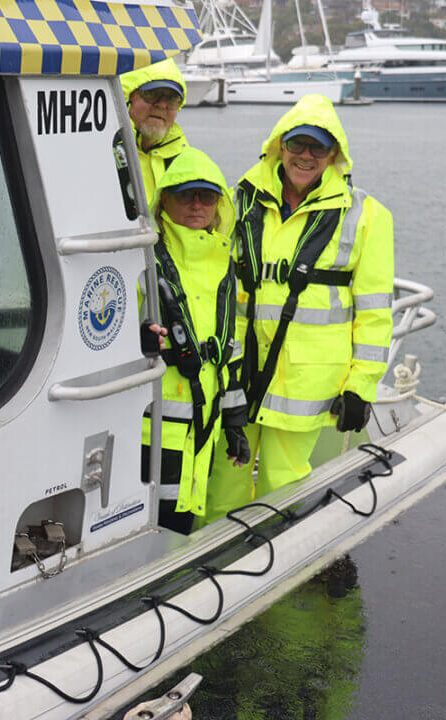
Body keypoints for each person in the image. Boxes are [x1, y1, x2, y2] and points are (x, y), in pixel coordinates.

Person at [206, 94, 394, 523]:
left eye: (318, 148)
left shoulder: (367, 216)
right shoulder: (239, 201)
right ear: (280, 146)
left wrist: (361, 386)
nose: (306, 156)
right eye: (297, 144)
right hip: (239, 371)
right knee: (222, 486)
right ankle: (215, 560)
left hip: (305, 384)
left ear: (334, 155)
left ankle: (275, 558)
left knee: (283, 487)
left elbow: (375, 312)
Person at [142, 148, 250, 533]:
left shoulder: (224, 264)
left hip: (203, 429)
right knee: (144, 527)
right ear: (164, 202)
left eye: (207, 196)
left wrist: (234, 422)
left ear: (219, 204)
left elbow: (228, 351)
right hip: (150, 432)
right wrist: (139, 339)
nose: (197, 204)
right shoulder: (141, 258)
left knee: (181, 523)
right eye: (186, 194)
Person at [119, 59, 189, 211]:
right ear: (126, 98)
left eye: (172, 98)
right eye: (151, 94)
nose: (162, 104)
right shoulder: (106, 152)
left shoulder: (185, 160)